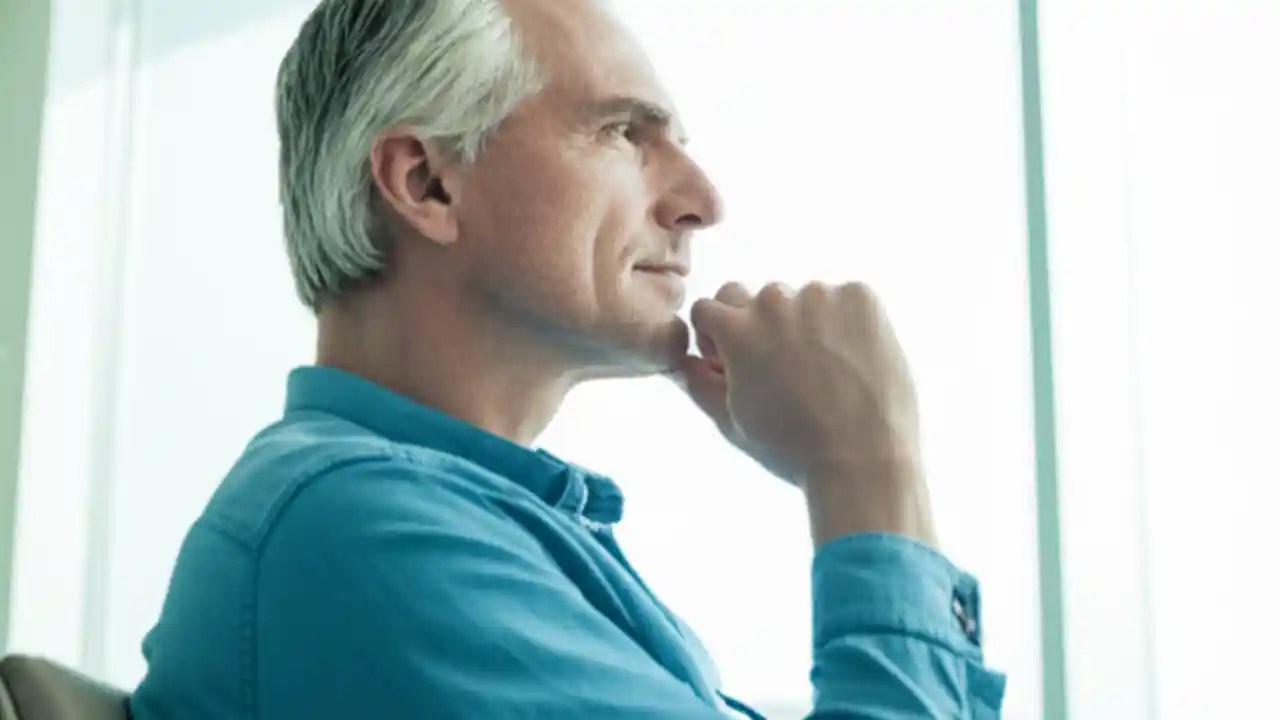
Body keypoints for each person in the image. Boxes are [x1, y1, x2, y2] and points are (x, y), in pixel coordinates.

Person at [129, 0, 1007, 717]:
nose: (702, 200)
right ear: (427, 182)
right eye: (625, 132)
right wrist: (866, 467)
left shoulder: (447, 529)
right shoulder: (360, 530)